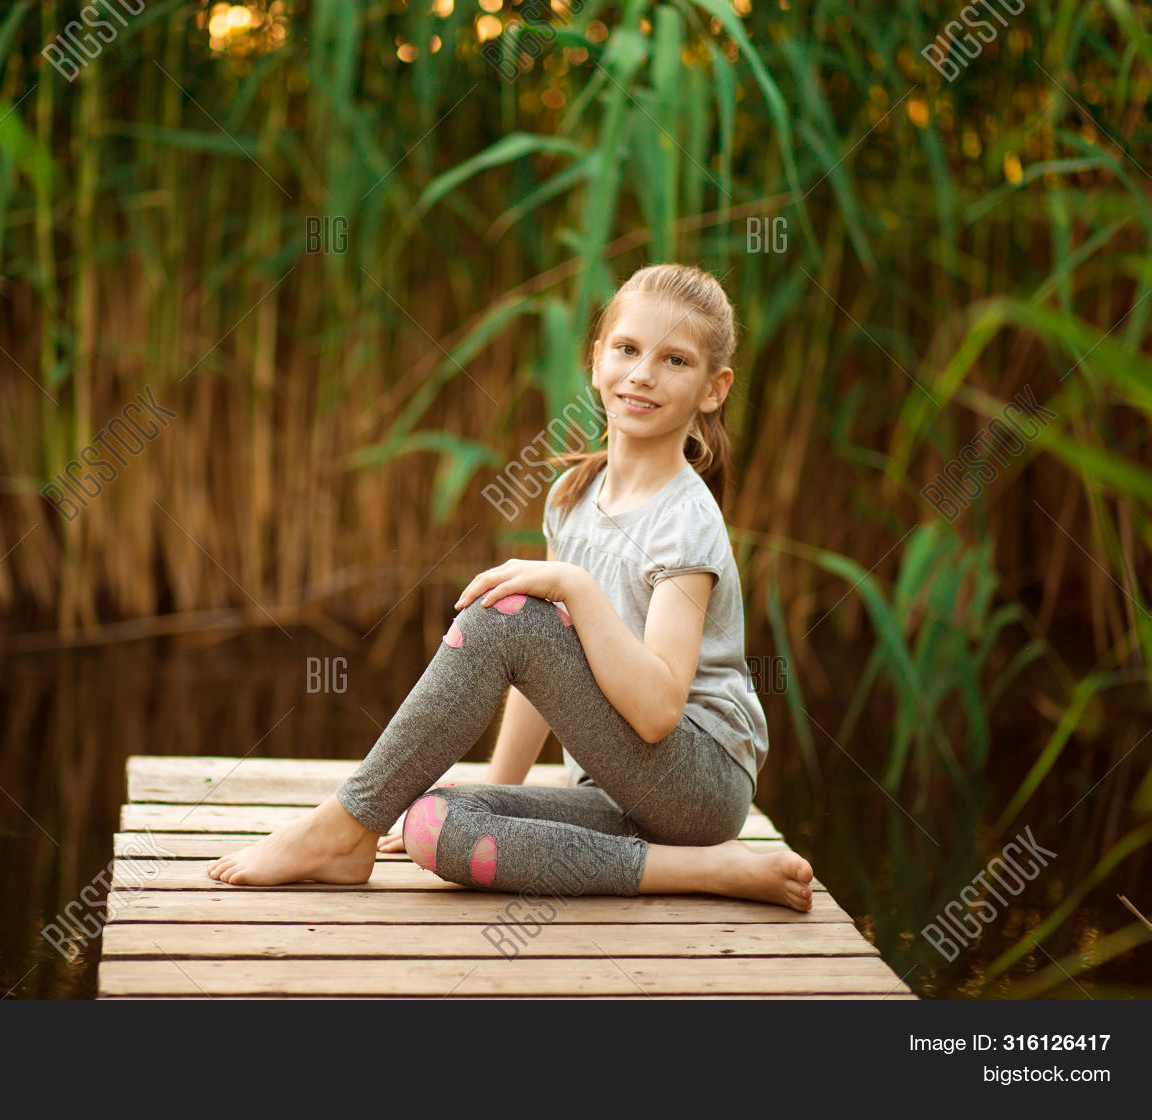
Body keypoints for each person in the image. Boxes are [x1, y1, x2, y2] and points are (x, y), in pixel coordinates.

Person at [207, 263, 813, 911]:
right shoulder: (571, 497)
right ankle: (708, 872)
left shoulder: (685, 522)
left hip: (698, 784)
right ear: (596, 359)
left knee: (509, 612)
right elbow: (536, 672)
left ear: (713, 389)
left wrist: (575, 587)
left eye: (674, 360)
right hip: (614, 788)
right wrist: (495, 796)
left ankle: (340, 826)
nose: (642, 374)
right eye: (628, 349)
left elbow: (660, 710)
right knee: (435, 826)